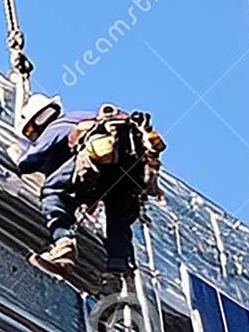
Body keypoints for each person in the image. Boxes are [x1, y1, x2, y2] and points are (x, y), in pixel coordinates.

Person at [8, 94, 152, 285]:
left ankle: (63, 244)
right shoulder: (87, 117)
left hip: (98, 162)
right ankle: (120, 275)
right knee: (118, 221)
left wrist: (17, 155)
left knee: (53, 192)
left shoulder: (58, 125)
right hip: (131, 171)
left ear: (38, 120)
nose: (34, 135)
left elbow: (29, 162)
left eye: (32, 131)